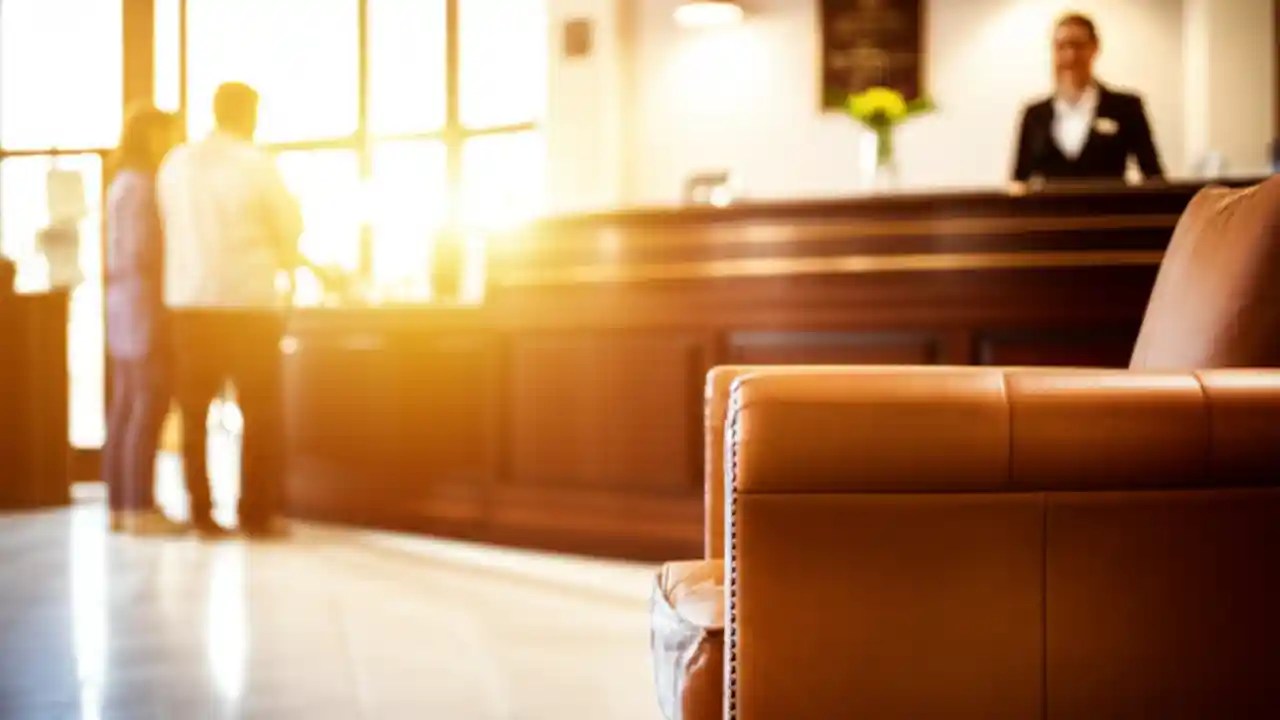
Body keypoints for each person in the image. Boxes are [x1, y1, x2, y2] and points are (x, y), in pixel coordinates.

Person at [157, 82, 303, 539]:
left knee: (195, 411)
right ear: (249, 113)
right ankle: (256, 514)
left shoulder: (176, 163)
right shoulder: (257, 165)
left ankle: (201, 514)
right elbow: (289, 227)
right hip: (248, 305)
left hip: (190, 304)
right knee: (259, 411)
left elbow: (169, 227)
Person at [102, 105, 187, 535]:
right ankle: (139, 506)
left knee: (124, 405)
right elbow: (143, 250)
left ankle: (121, 505)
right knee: (146, 405)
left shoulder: (121, 182)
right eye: (168, 135)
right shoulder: (143, 186)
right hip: (145, 307)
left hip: (124, 307)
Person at [1011, 13, 1164, 188]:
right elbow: (1018, 182)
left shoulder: (1126, 108)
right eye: (1061, 47)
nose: (1070, 56)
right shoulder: (1034, 115)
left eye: (1078, 46)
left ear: (1095, 48)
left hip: (1110, 213)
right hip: (1050, 214)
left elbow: (1154, 177)